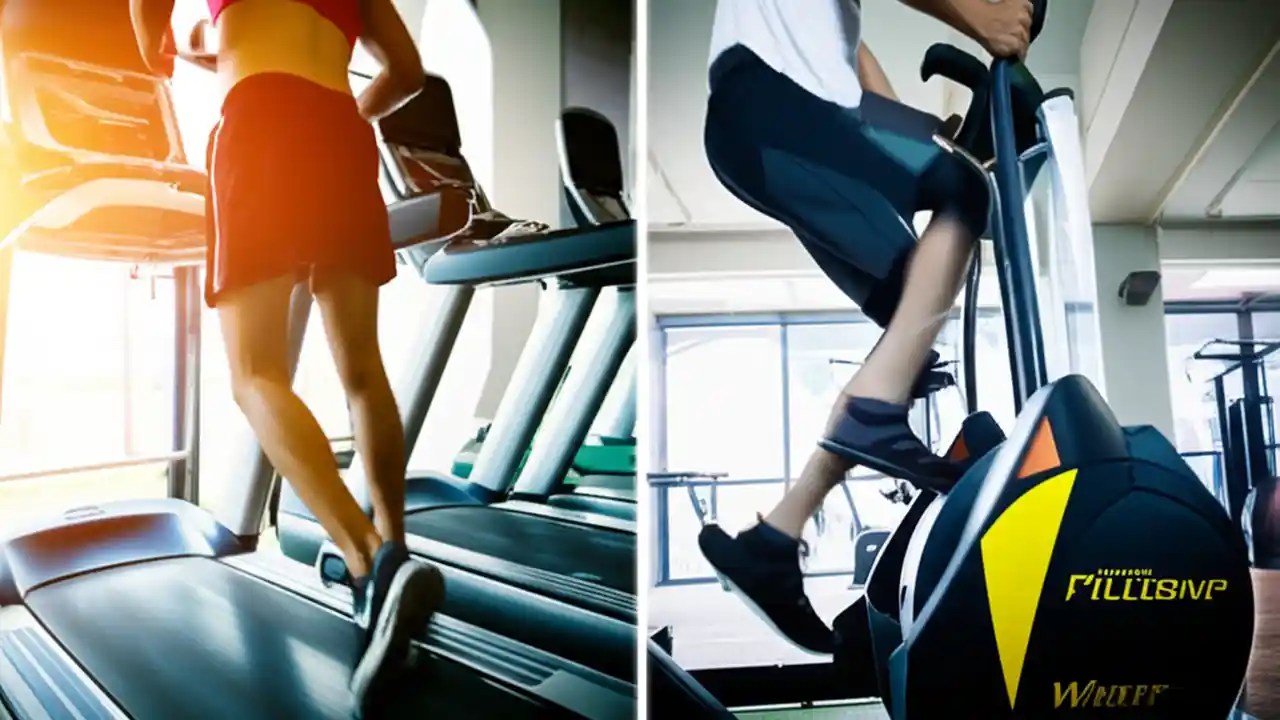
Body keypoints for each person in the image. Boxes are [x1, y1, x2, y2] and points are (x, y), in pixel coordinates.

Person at [128, 0, 441, 712]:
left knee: (254, 374)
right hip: (342, 132)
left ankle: (371, 563)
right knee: (363, 369)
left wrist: (154, 48)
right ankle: (394, 549)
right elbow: (408, 72)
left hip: (262, 116)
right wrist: (350, 112)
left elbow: (153, 19)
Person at [698, 0, 1034, 656]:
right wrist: (981, 18)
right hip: (773, 103)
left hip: (771, 120)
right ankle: (872, 416)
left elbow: (852, 58)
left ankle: (774, 540)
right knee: (967, 192)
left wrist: (918, 140)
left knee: (912, 317)